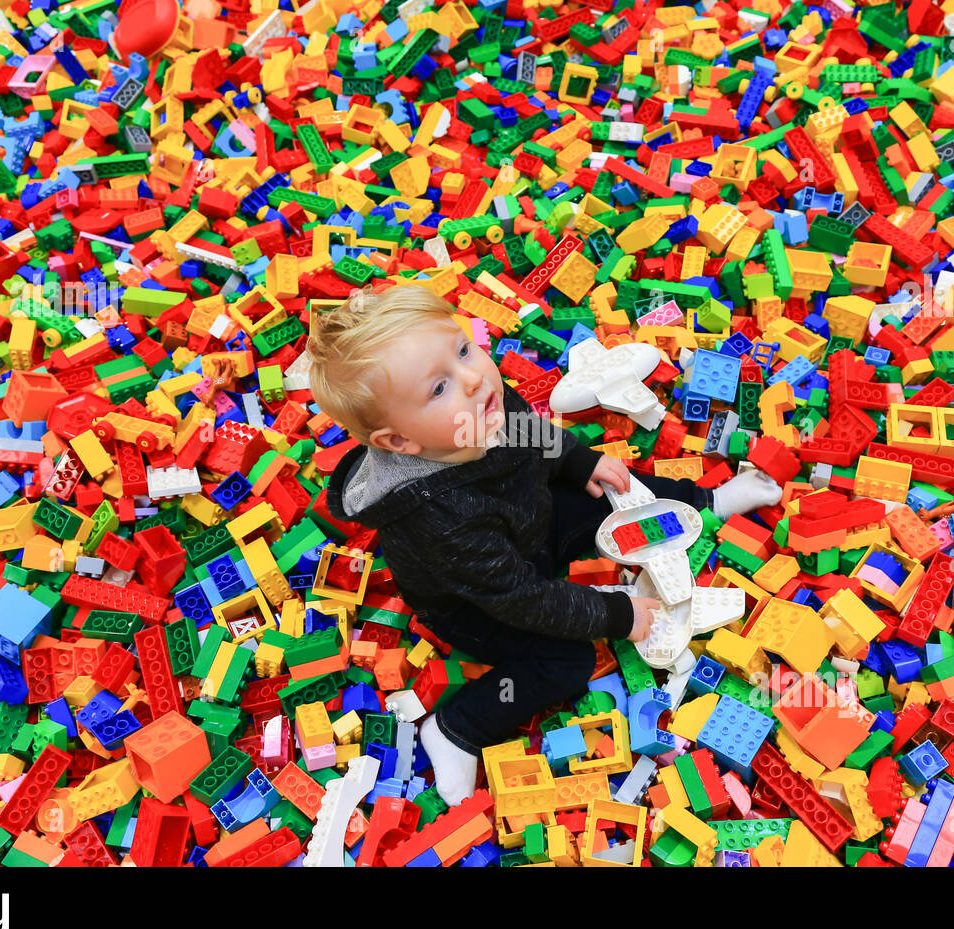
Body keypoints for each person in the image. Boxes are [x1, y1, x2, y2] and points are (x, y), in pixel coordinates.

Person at [309, 285, 782, 806]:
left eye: (463, 350)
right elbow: (524, 598)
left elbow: (527, 430)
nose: (472, 378)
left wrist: (578, 463)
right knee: (564, 662)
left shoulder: (478, 402)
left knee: (618, 490)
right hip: (478, 603)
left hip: (530, 523)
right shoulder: (441, 520)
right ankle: (457, 728)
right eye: (439, 388)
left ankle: (707, 500)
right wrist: (616, 614)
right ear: (399, 442)